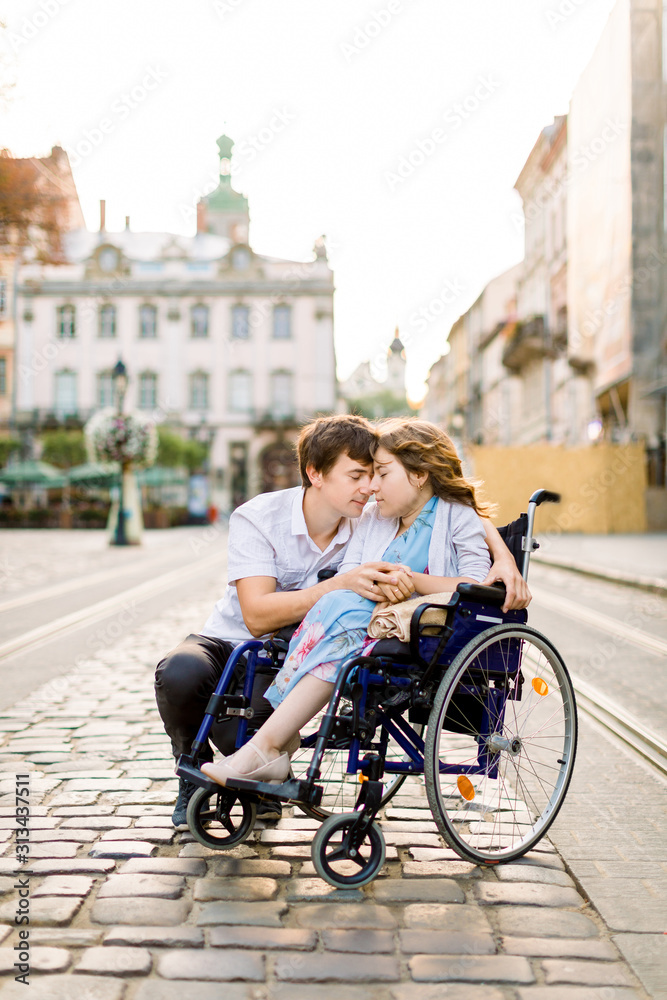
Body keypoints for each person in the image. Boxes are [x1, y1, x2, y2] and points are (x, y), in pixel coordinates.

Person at [157, 415, 530, 823]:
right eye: (359, 475)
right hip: (244, 639)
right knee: (181, 673)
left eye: (377, 474)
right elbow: (276, 608)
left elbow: (456, 517)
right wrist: (352, 583)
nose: (370, 486)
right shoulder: (282, 516)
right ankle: (196, 770)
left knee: (246, 727)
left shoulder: (376, 511)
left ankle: (261, 761)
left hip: (345, 637)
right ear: (316, 475)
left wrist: (504, 554)